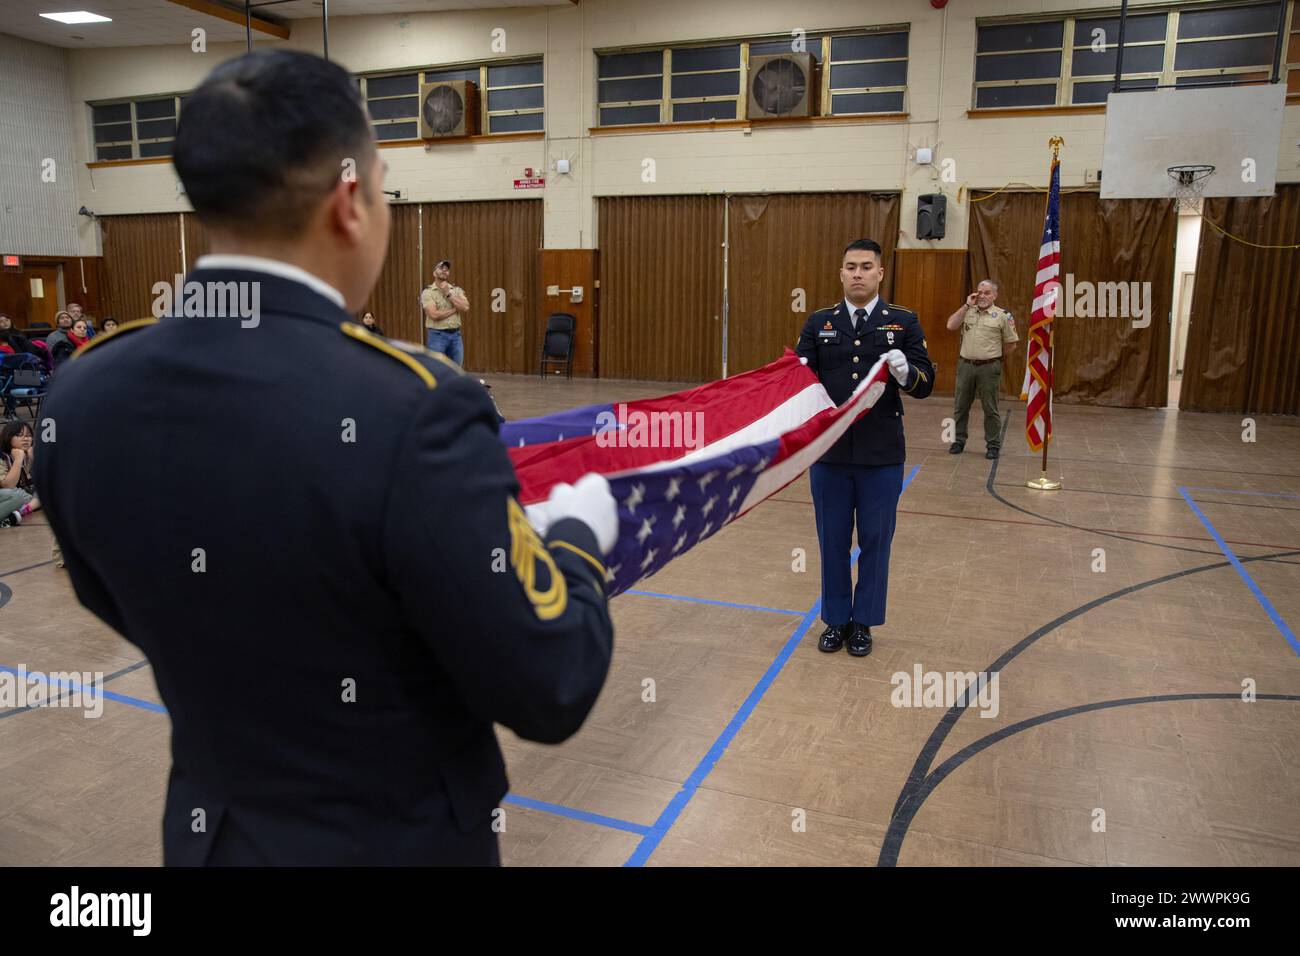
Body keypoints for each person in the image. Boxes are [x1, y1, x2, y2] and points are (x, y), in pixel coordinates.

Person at [36, 48, 618, 866]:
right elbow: (550, 682)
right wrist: (578, 542)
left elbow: (109, 595)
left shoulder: (82, 396)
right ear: (351, 201)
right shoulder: (415, 409)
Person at [795, 238, 934, 657]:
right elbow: (799, 384)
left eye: (866, 266)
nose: (858, 273)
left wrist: (907, 372)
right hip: (830, 455)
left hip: (881, 455)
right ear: (841, 273)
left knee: (876, 540)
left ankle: (864, 623)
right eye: (851, 266)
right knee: (832, 539)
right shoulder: (819, 323)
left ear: (879, 273)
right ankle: (836, 619)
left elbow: (926, 383)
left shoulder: (903, 322)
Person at [944, 279, 1018, 460]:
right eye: (980, 292)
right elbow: (951, 325)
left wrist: (993, 357)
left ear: (995, 295)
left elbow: (1011, 344)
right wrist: (966, 305)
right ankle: (958, 441)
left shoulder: (1003, 316)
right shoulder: (968, 311)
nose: (982, 296)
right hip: (966, 366)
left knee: (990, 408)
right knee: (960, 406)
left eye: (986, 293)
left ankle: (993, 445)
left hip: (989, 368)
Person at [421, 258, 469, 366]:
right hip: (437, 336)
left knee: (456, 371)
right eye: (441, 268)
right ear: (434, 273)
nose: (444, 270)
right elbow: (434, 315)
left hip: (456, 336)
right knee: (437, 371)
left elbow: (465, 307)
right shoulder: (428, 292)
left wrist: (448, 293)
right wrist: (455, 309)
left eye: (446, 269)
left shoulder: (456, 290)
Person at [0, 420, 40, 527]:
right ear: (8, 438)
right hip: (7, 496)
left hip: (16, 499)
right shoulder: (2, 457)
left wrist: (34, 459)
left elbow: (47, 482)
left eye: (28, 435)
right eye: (19, 435)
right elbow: (8, 485)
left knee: (47, 492)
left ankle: (13, 516)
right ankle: (25, 508)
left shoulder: (30, 454)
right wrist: (18, 460)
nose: (26, 438)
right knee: (17, 496)